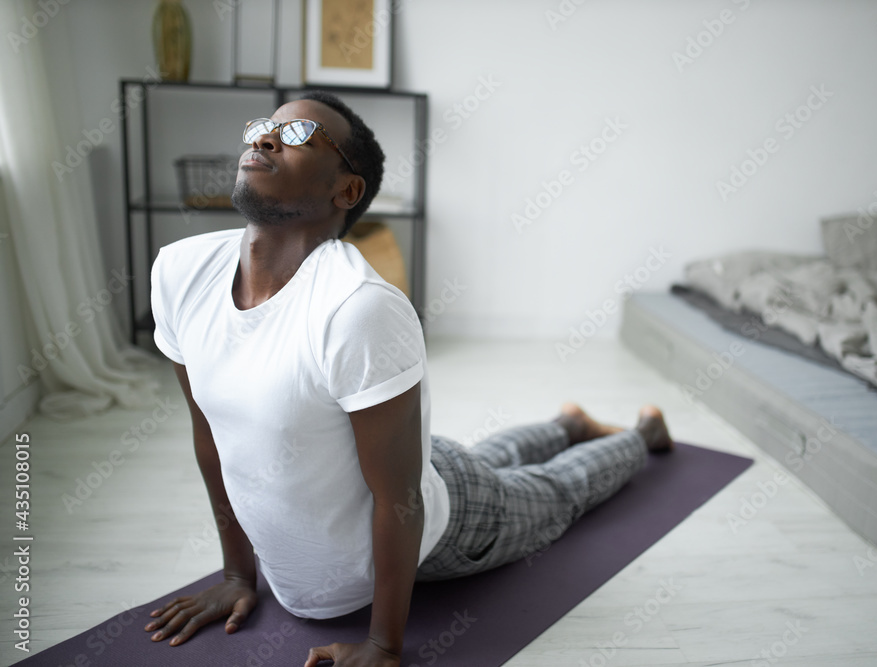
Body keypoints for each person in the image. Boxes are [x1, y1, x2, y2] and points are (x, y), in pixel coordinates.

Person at [143, 90, 674, 667]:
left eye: (298, 136)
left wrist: (382, 646)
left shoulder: (357, 308)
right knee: (470, 460)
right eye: (263, 127)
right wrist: (236, 574)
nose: (265, 138)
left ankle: (642, 435)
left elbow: (400, 497)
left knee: (554, 494)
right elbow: (208, 434)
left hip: (442, 517)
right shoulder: (179, 271)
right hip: (394, 458)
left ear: (345, 191)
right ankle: (567, 422)